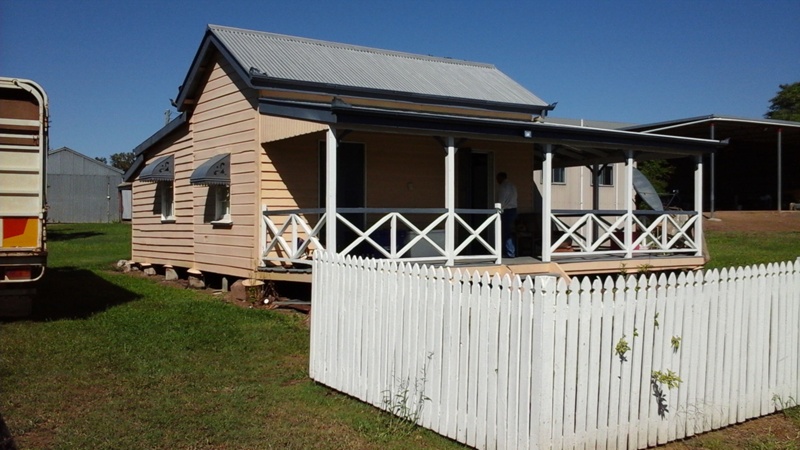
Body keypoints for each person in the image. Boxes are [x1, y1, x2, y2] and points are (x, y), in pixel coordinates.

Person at [495, 172, 518, 258]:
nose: (497, 181)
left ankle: (509, 252)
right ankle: (512, 251)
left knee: (506, 232)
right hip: (514, 210)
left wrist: (498, 209)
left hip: (507, 211)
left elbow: (501, 201)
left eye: (498, 178)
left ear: (501, 178)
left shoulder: (503, 187)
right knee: (511, 232)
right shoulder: (513, 186)